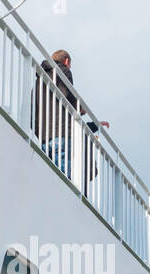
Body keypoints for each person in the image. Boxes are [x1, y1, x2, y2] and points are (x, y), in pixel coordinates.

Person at [32, 49, 108, 188]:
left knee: (51, 179)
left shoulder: (39, 80)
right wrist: (80, 108)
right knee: (66, 182)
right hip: (61, 133)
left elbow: (34, 108)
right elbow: (68, 95)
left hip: (42, 137)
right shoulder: (63, 71)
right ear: (66, 61)